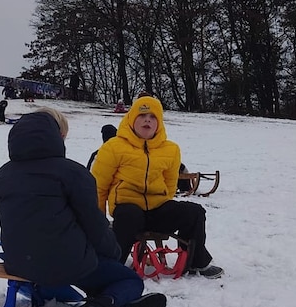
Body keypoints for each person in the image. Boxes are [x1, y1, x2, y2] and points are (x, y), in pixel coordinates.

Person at [0, 108, 167, 307]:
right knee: (129, 279)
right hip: (67, 263)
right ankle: (101, 305)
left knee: (76, 265)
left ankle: (115, 303)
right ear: (58, 136)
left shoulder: (2, 175)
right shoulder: (72, 173)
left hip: (19, 263)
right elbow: (95, 225)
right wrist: (113, 252)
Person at [90, 96, 223, 279]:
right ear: (131, 119)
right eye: (142, 115)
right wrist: (99, 221)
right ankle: (113, 265)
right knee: (129, 215)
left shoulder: (170, 150)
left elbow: (170, 184)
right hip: (127, 208)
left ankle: (196, 261)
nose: (147, 120)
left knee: (195, 212)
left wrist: (163, 204)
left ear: (159, 122)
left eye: (153, 117)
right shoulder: (113, 147)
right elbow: (98, 187)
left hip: (157, 208)